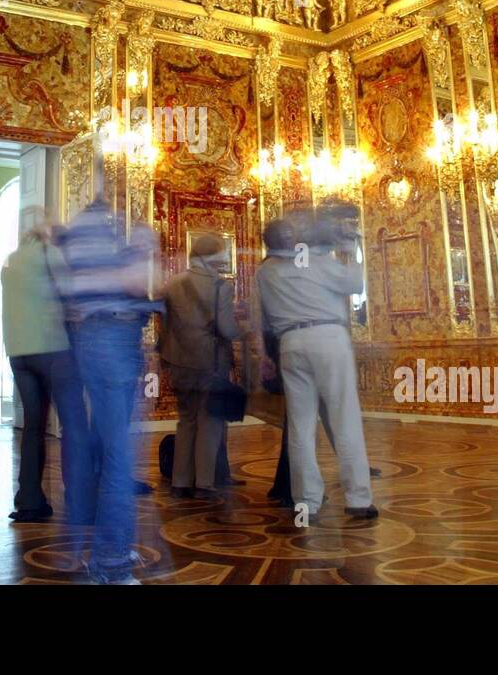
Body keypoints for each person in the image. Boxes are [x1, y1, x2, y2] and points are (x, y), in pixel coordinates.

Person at [56, 195, 162, 585]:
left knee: (100, 445)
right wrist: (143, 247)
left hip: (87, 340)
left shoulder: (74, 235)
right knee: (120, 457)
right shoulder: (108, 235)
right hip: (113, 339)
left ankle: (104, 544)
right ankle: (111, 562)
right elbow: (134, 283)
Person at [256, 211, 376, 523]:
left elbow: (262, 317)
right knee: (344, 418)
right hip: (327, 337)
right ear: (291, 240)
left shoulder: (265, 271)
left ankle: (306, 501)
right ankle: (358, 498)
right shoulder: (310, 260)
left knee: (300, 426)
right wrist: (352, 252)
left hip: (289, 343)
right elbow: (353, 283)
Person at [1, 211, 94, 524]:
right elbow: (72, 295)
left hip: (18, 353)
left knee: (33, 428)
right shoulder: (48, 254)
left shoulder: (12, 260)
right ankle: (82, 498)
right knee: (74, 425)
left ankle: (29, 501)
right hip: (52, 349)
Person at [160, 232, 241, 498]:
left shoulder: (172, 283)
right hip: (210, 362)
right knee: (210, 421)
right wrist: (245, 329)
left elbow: (165, 325)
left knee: (186, 420)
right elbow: (227, 330)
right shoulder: (221, 287)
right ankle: (204, 483)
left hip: (178, 362)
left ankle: (180, 481)